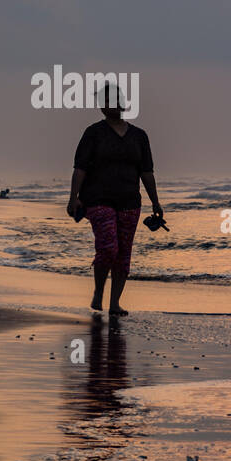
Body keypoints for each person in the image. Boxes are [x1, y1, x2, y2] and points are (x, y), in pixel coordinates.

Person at [66, 81, 163, 316]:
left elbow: (147, 172)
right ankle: (98, 292)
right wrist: (73, 198)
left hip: (130, 202)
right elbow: (80, 168)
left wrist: (156, 202)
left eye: (116, 99)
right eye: (107, 101)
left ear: (123, 102)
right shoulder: (94, 133)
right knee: (109, 248)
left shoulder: (139, 136)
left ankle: (114, 303)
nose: (113, 104)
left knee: (123, 254)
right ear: (101, 106)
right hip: (97, 199)